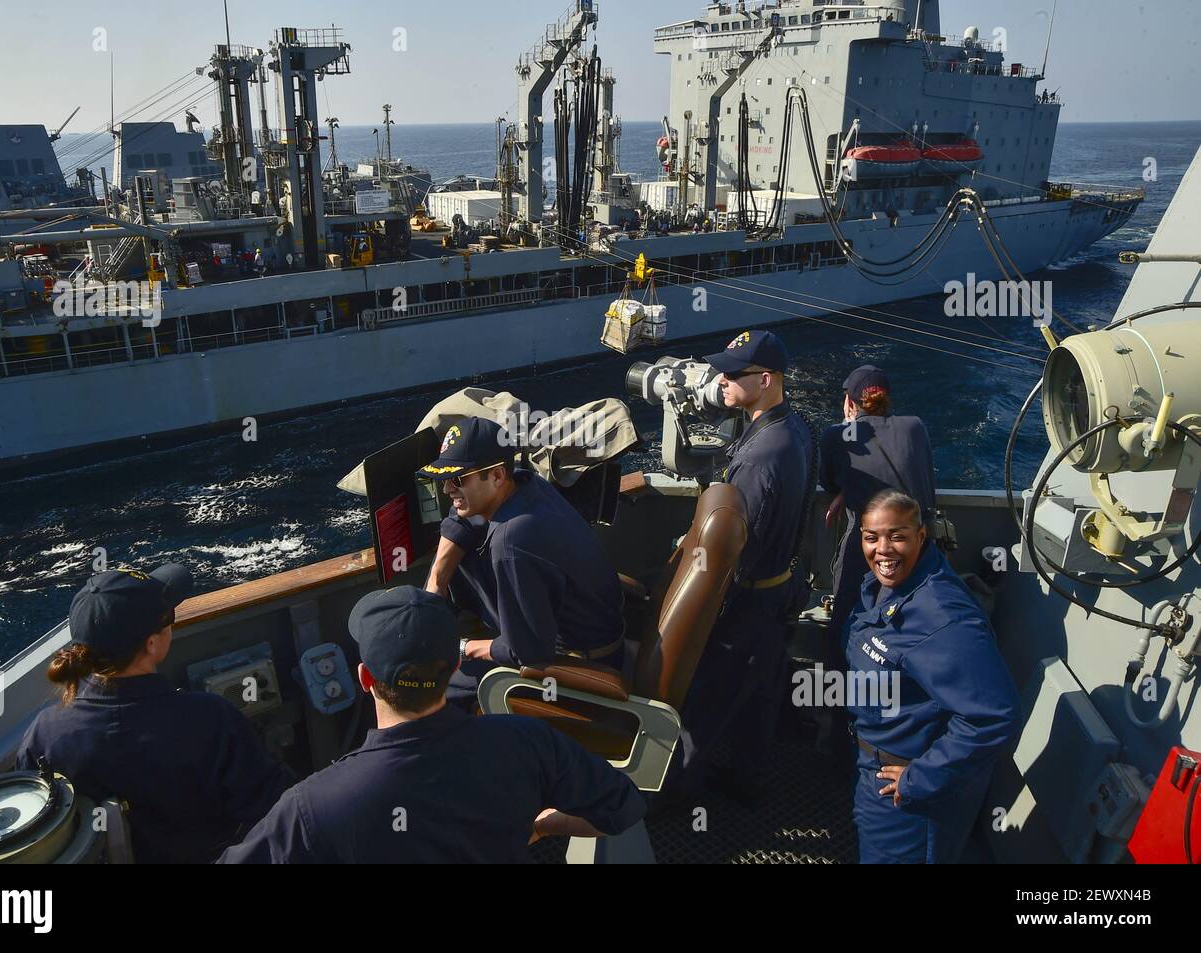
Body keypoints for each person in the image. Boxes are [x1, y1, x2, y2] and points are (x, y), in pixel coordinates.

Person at [220, 587, 646, 864]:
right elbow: (622, 809)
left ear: (366, 678)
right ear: (457, 666)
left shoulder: (312, 806)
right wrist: (541, 824)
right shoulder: (527, 740)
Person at [16, 565, 292, 864]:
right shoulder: (210, 718)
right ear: (152, 643)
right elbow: (276, 813)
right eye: (168, 619)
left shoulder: (45, 733)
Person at [663, 330, 815, 805]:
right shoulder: (797, 430)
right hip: (781, 589)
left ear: (765, 380)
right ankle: (747, 781)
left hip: (748, 600)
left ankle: (676, 795)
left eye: (734, 373)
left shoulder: (758, 457)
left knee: (706, 699)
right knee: (759, 696)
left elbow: (733, 547)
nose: (721, 379)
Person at [846, 490, 1021, 864]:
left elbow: (993, 715)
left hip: (910, 794)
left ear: (921, 536)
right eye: (871, 537)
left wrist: (918, 780)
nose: (882, 550)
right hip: (876, 764)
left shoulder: (943, 617)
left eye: (897, 536)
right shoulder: (886, 588)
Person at [419, 418, 626, 709]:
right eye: (442, 480)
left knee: (433, 691)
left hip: (579, 667)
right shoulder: (528, 484)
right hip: (596, 629)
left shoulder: (511, 542)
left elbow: (525, 653)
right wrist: (436, 583)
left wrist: (462, 648)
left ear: (497, 476)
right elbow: (460, 520)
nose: (446, 490)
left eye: (458, 479)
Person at [820, 365, 937, 647]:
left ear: (849, 402)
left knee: (847, 621)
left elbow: (828, 480)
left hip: (867, 552)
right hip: (918, 548)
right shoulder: (915, 426)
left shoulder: (836, 436)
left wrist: (843, 491)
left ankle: (843, 671)